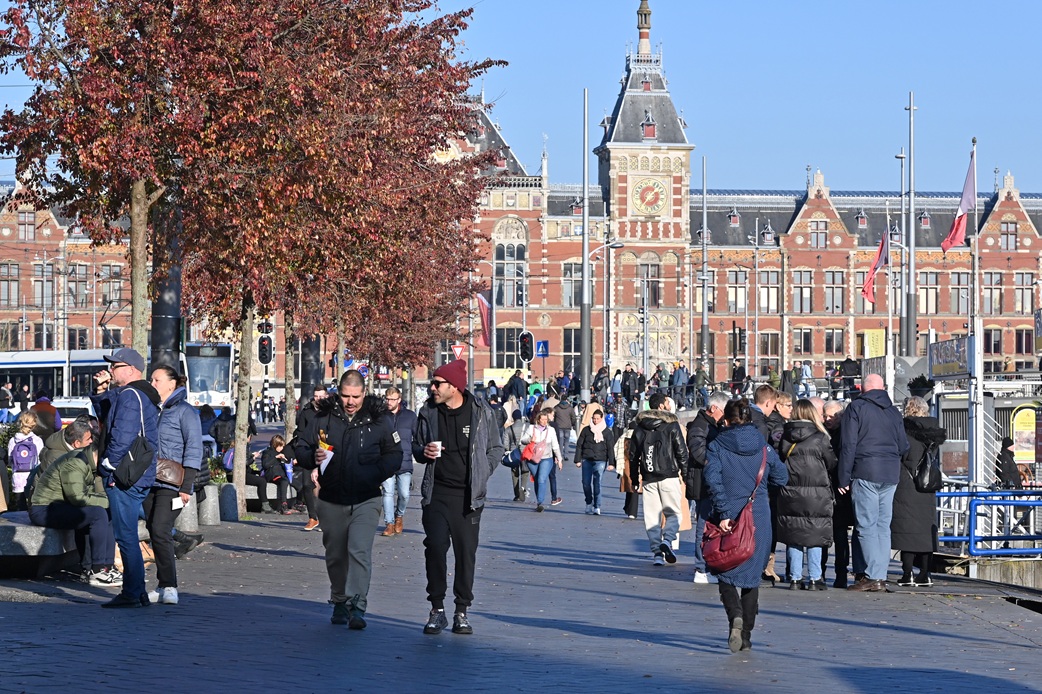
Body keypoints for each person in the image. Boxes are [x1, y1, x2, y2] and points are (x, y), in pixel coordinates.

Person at [294, 369, 402, 629]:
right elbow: (300, 445)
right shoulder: (322, 417)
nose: (350, 401)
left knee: (359, 550)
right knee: (335, 554)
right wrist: (312, 458)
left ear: (364, 393)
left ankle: (357, 606)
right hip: (331, 498)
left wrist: (374, 472)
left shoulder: (379, 420)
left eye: (355, 396)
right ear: (338, 392)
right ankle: (339, 599)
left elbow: (394, 455)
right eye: (345, 396)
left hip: (367, 498)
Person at [413, 359, 502, 636]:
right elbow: (416, 447)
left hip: (468, 498)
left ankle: (461, 611)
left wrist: (482, 473)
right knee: (435, 548)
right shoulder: (428, 411)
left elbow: (496, 448)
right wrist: (422, 452)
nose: (432, 388)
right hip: (436, 494)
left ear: (454, 387)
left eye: (438, 383)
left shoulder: (480, 411)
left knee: (466, 554)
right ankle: (436, 609)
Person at [705, 398, 789, 653]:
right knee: (752, 578)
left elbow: (713, 479)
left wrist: (724, 512)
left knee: (724, 567)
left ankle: (735, 616)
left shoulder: (718, 445)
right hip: (759, 517)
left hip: (728, 515)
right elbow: (782, 476)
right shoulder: (764, 447)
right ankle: (747, 635)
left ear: (727, 420)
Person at [91, 347, 161, 609]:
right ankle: (138, 591)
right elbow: (108, 418)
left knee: (126, 536)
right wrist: (101, 391)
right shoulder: (139, 394)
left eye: (115, 366)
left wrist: (109, 464)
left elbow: (121, 432)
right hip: (139, 474)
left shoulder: (131, 396)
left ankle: (132, 592)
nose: (111, 369)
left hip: (125, 476)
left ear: (130, 370)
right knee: (128, 533)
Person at [27, 417, 121, 587]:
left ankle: (106, 567)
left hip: (61, 506)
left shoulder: (89, 464)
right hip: (45, 508)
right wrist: (106, 502)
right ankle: (98, 569)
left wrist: (109, 502)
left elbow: (92, 495)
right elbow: (78, 498)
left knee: (106, 512)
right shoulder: (75, 462)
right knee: (98, 513)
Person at [838, 373, 909, 592]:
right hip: (890, 474)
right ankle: (879, 572)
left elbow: (848, 445)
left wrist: (843, 476)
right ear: (883, 388)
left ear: (863, 389)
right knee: (882, 526)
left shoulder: (856, 408)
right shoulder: (893, 411)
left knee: (866, 525)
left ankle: (872, 576)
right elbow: (904, 445)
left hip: (866, 470)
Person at [144, 365, 204, 606]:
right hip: (148, 481)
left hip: (172, 482)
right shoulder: (151, 410)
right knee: (155, 530)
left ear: (172, 384)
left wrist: (186, 485)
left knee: (160, 528)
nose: (152, 383)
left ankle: (169, 586)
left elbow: (194, 448)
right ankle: (162, 585)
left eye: (156, 380)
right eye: (151, 379)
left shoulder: (185, 411)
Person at [777, 399, 837, 591]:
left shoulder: (786, 436)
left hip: (790, 491)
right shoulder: (820, 437)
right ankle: (815, 577)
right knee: (814, 533)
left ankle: (795, 578)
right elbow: (831, 462)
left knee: (794, 533)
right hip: (816, 492)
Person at [893, 396, 946, 588]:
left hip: (907, 485)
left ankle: (908, 575)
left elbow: (901, 455)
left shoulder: (904, 431)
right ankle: (926, 574)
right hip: (927, 485)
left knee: (907, 531)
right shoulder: (934, 433)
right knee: (925, 531)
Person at [629, 392, 687, 565]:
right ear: (661, 406)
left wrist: (634, 479)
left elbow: (633, 456)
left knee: (651, 516)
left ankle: (657, 554)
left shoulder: (639, 427)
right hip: (669, 475)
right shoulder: (672, 425)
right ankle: (667, 540)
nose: (669, 405)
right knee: (674, 513)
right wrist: (686, 474)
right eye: (667, 403)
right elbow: (681, 452)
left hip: (648, 477)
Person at [686, 391, 728, 584]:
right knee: (703, 525)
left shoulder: (713, 425)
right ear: (713, 408)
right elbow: (698, 452)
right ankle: (700, 567)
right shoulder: (700, 426)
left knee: (711, 524)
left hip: (710, 480)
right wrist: (717, 463)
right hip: (703, 482)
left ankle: (708, 564)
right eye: (723, 411)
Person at [380, 386, 417, 536]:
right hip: (386, 461)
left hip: (404, 461)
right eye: (387, 399)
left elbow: (418, 437)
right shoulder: (381, 416)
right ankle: (389, 523)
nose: (389, 402)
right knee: (387, 492)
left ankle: (399, 516)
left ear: (399, 400)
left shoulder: (410, 416)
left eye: (392, 399)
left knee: (404, 494)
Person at [295, 384, 328, 531]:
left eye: (321, 396)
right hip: (309, 451)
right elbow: (300, 432)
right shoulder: (307, 411)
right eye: (316, 396)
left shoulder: (330, 412)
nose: (318, 399)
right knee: (307, 484)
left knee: (325, 485)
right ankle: (313, 517)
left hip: (326, 451)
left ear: (326, 396)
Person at [573, 407, 616, 515]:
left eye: (597, 419)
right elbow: (579, 445)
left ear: (602, 419)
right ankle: (588, 502)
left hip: (600, 460)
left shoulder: (607, 432)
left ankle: (597, 506)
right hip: (587, 459)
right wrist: (577, 460)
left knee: (597, 483)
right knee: (586, 483)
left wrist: (611, 463)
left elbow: (610, 448)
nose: (595, 421)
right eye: (594, 418)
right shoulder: (586, 430)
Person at [520, 407, 563, 512]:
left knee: (541, 479)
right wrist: (530, 439)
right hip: (532, 459)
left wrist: (559, 459)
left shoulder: (551, 430)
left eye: (546, 419)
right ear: (538, 419)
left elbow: (555, 445)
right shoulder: (531, 428)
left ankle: (540, 503)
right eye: (542, 419)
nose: (544, 421)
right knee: (536, 478)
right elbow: (522, 440)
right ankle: (539, 500)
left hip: (546, 458)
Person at [7, 411, 45, 511]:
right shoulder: (37, 440)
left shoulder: (13, 440)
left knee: (21, 508)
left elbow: (10, 460)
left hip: (18, 479)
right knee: (33, 508)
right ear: (34, 424)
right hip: (32, 478)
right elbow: (40, 460)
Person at [259, 434, 296, 514]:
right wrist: (276, 457)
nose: (282, 448)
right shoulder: (267, 452)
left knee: (298, 484)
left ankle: (298, 503)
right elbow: (265, 465)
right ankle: (284, 504)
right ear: (276, 445)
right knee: (284, 481)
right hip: (273, 475)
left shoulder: (281, 453)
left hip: (281, 474)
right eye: (281, 446)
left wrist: (287, 461)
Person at [503, 408, 528, 502]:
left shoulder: (509, 429)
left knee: (515, 473)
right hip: (525, 453)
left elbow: (505, 443)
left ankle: (517, 494)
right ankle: (523, 487)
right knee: (525, 471)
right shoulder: (527, 427)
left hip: (514, 454)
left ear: (513, 418)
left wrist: (507, 450)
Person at [552, 396, 577, 471]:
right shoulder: (570, 408)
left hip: (559, 426)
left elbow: (554, 417)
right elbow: (573, 417)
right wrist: (572, 424)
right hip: (567, 427)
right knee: (567, 441)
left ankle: (561, 456)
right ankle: (566, 455)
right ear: (566, 400)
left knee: (560, 441)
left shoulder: (556, 407)